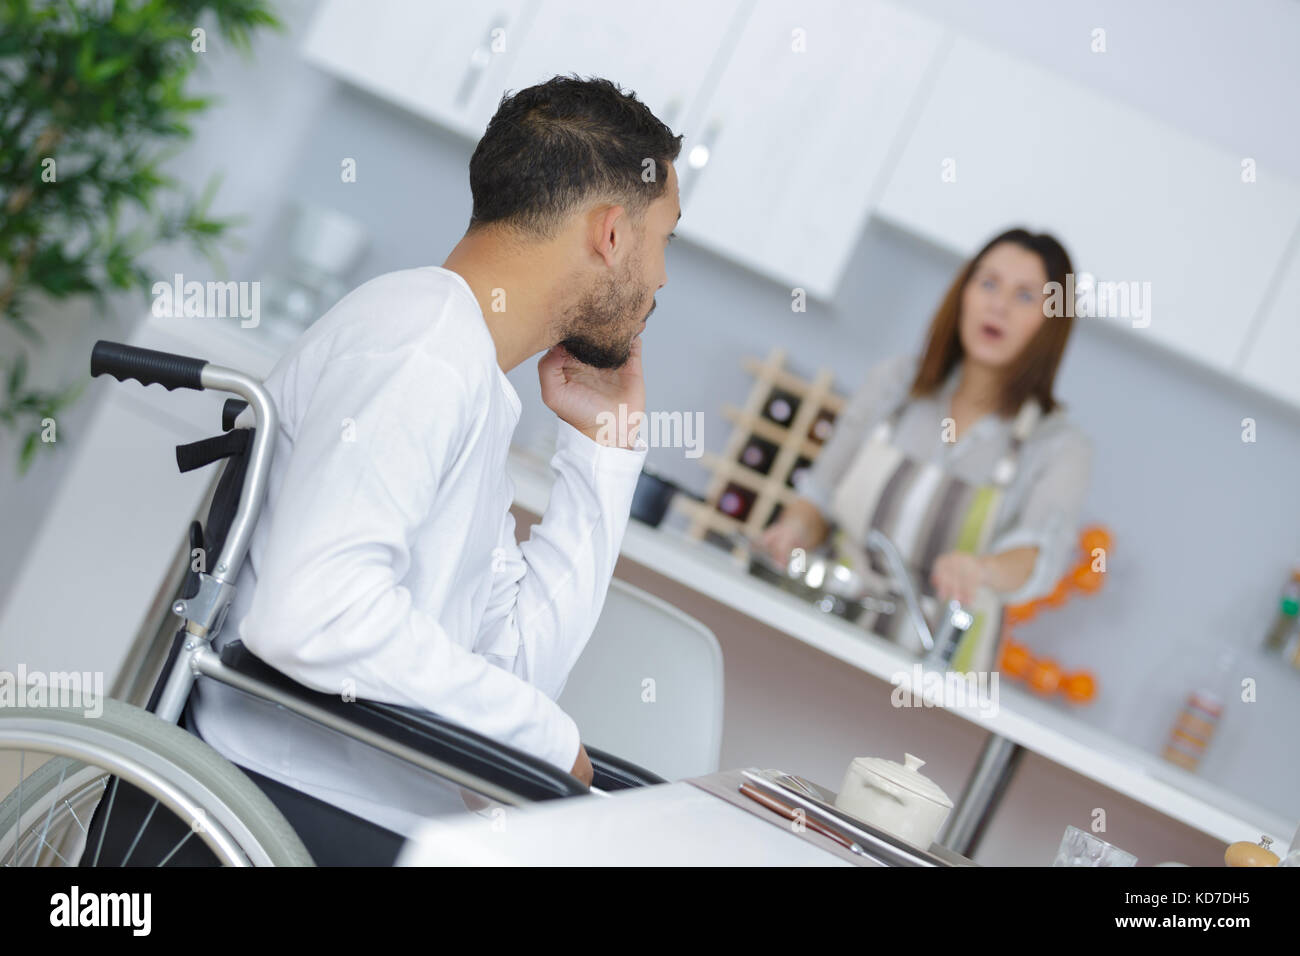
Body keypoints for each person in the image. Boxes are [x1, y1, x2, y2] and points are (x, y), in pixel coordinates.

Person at [182, 75, 683, 862]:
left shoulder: (461, 363)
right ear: (613, 235)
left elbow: (514, 671)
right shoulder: (423, 347)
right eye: (665, 242)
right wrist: (545, 739)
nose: (660, 281)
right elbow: (314, 616)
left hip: (364, 805)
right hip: (291, 811)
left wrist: (605, 452)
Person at [761, 228, 1092, 665]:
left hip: (941, 678)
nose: (999, 305)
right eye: (988, 283)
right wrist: (795, 531)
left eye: (1025, 296)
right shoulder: (894, 384)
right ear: (964, 292)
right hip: (826, 634)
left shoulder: (1058, 445)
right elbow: (818, 499)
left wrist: (984, 571)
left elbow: (1034, 559)